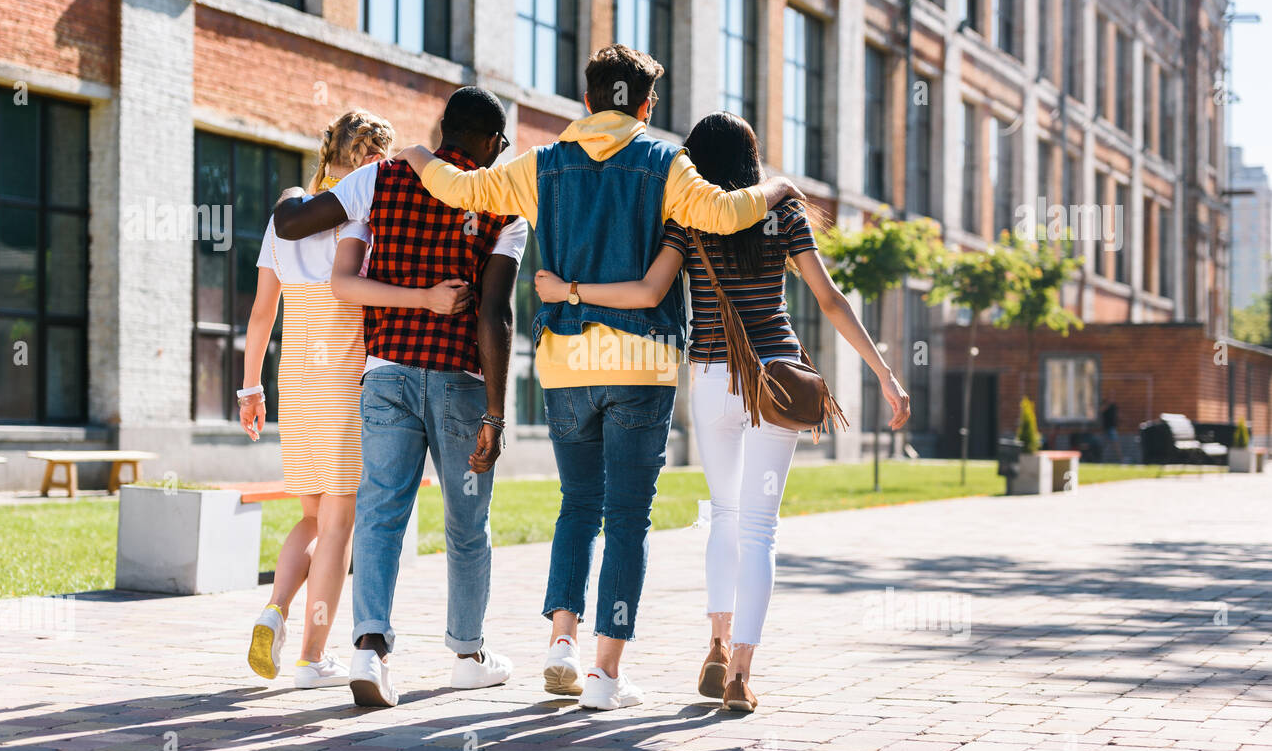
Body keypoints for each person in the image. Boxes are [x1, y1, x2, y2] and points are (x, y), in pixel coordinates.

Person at [397, 45, 805, 710]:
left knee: (576, 505)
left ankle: (562, 642)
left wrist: (419, 156)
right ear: (645, 105)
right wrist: (778, 188)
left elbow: (460, 189)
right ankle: (605, 677)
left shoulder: (541, 163)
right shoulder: (665, 163)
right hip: (641, 369)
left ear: (586, 100)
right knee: (628, 519)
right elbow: (731, 213)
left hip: (564, 366)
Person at [535, 111, 910, 712]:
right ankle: (739, 672)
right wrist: (884, 374)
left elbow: (647, 293)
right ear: (753, 159)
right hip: (779, 383)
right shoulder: (783, 212)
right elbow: (830, 300)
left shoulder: (687, 216)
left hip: (713, 377)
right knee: (760, 529)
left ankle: (713, 642)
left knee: (725, 514)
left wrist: (570, 292)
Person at [272, 87, 529, 708]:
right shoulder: (505, 203)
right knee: (468, 524)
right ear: (494, 143)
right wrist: (495, 414)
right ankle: (468, 654)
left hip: (384, 376)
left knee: (382, 515)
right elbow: (496, 314)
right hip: (460, 383)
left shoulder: (379, 178)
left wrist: (290, 196)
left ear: (442, 128)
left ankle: (368, 649)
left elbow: (292, 224)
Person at [242, 108, 471, 688]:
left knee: (310, 514)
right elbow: (361, 288)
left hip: (295, 378)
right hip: (345, 380)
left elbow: (262, 311)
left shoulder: (284, 220)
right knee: (340, 524)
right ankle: (312, 658)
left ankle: (275, 609)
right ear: (371, 162)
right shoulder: (359, 221)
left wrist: (251, 387)